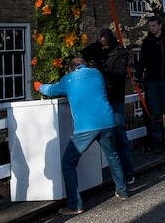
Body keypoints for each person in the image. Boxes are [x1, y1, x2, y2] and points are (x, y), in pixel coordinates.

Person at [36, 57, 128, 214]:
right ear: (85, 65)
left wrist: (39, 86)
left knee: (68, 163)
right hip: (107, 122)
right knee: (113, 156)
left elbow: (51, 90)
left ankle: (74, 205)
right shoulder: (97, 74)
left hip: (86, 127)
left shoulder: (69, 79)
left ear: (71, 68)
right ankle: (122, 191)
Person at [82, 28, 136, 184]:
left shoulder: (121, 53)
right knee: (97, 134)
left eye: (106, 45)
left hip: (115, 97)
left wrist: (99, 69)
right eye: (101, 45)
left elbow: (118, 74)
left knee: (119, 133)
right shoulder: (95, 48)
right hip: (99, 98)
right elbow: (81, 55)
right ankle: (110, 173)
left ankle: (128, 172)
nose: (104, 48)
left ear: (111, 42)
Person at [137, 16, 165, 152]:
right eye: (150, 26)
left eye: (154, 26)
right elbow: (142, 62)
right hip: (152, 81)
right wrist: (138, 78)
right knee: (155, 112)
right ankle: (157, 141)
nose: (152, 28)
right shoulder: (147, 42)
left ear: (160, 25)